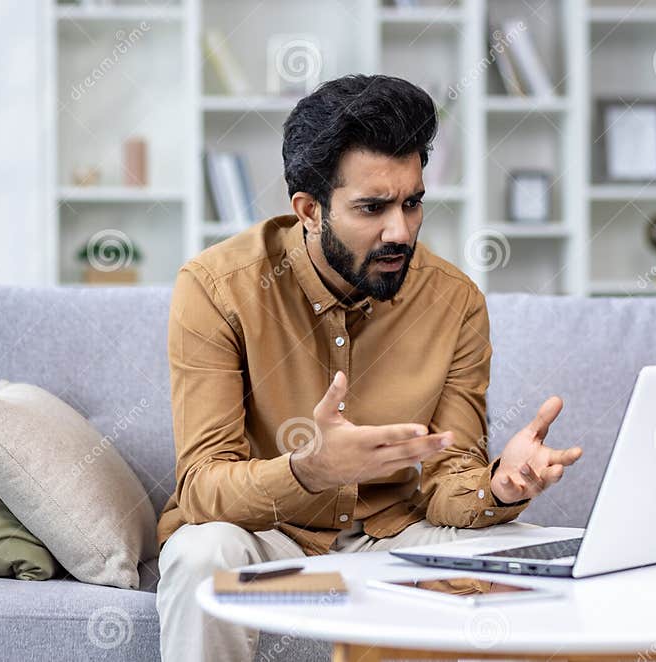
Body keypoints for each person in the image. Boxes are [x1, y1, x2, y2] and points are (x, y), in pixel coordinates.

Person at [155, 73, 583, 662]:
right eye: (372, 208)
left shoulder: (455, 301)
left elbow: (447, 480)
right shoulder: (216, 289)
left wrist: (500, 486)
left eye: (412, 203)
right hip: (268, 537)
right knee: (201, 555)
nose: (399, 231)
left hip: (393, 538)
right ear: (308, 210)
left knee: (537, 553)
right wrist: (309, 470)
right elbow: (203, 486)